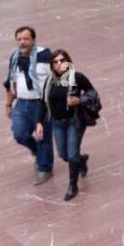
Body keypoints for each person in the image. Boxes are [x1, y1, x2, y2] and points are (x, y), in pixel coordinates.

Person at [35, 49, 95, 202]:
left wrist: (79, 100)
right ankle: (81, 161)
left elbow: (93, 93)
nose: (59, 64)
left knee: (72, 153)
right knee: (64, 154)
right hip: (56, 122)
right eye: (55, 62)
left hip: (74, 122)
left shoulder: (77, 78)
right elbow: (43, 103)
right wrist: (39, 123)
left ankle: (72, 185)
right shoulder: (49, 82)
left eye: (62, 60)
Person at [3, 26, 54, 184]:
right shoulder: (15, 58)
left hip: (41, 103)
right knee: (19, 134)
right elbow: (11, 82)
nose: (22, 42)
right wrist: (8, 104)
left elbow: (57, 77)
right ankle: (37, 152)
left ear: (33, 39)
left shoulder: (45, 56)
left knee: (43, 136)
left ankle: (45, 169)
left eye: (26, 39)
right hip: (22, 103)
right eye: (19, 39)